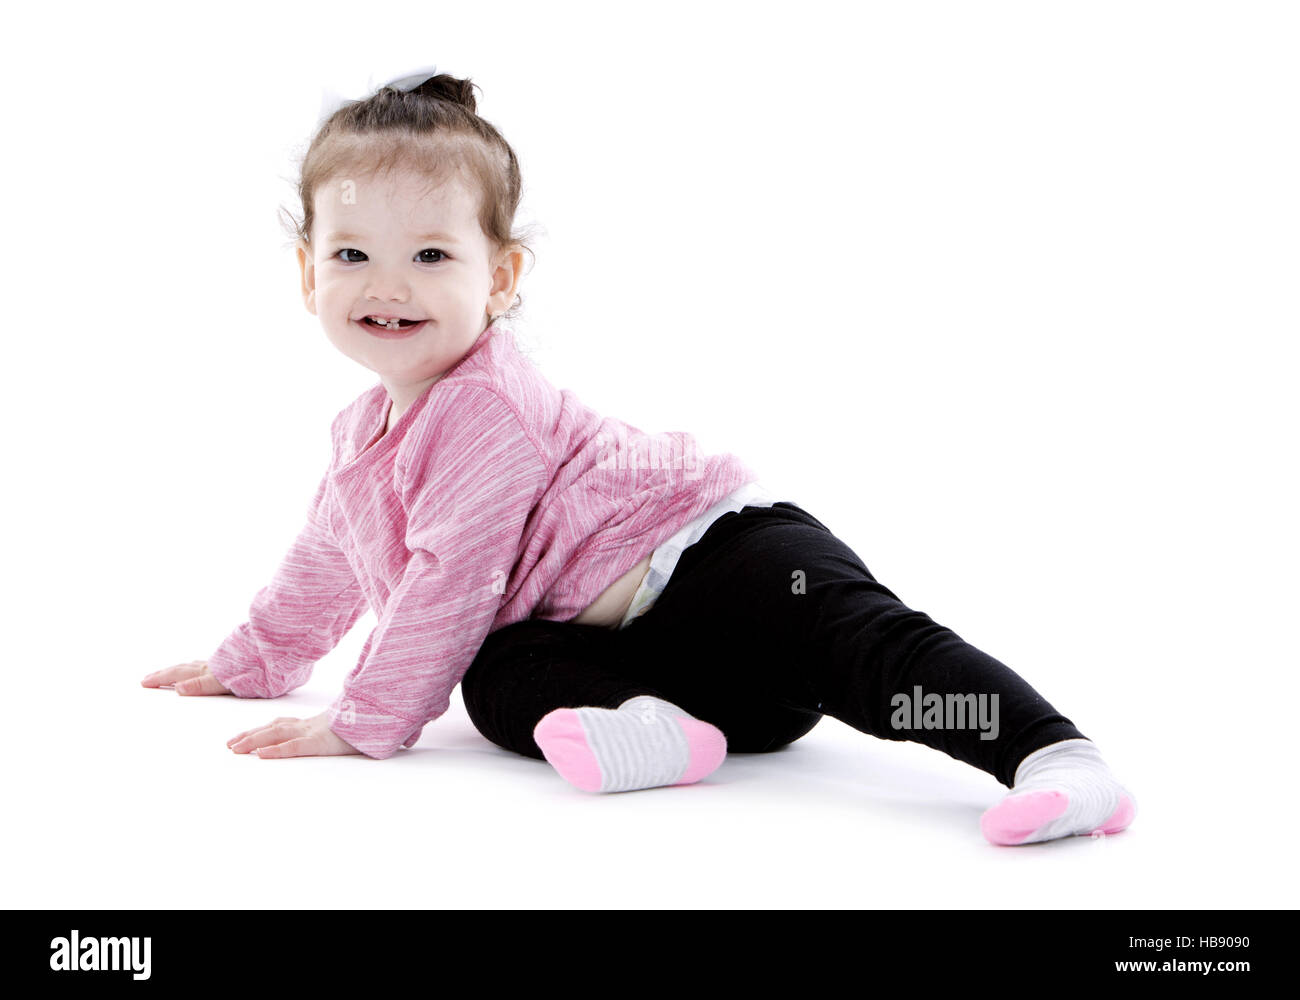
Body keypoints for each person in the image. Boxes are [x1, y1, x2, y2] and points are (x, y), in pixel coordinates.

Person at [140, 69, 1136, 847]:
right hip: (680, 672)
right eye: (352, 255)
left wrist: (366, 719)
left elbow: (451, 575)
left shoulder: (485, 402)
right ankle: (653, 731)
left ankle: (1054, 756)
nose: (387, 285)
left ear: (501, 277)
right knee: (497, 673)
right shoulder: (361, 435)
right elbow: (328, 559)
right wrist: (254, 662)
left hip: (721, 559)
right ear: (309, 270)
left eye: (432, 256)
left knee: (870, 656)